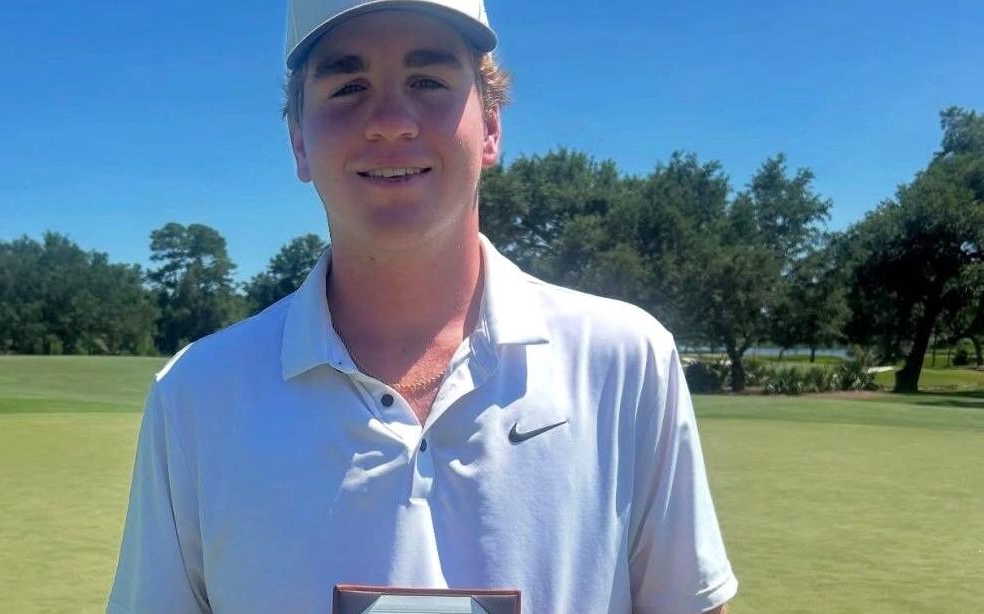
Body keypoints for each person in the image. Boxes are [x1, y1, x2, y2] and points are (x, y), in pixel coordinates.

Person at [107, 1, 738, 612]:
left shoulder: (626, 361)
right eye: (348, 86)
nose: (390, 119)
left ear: (491, 127)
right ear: (299, 142)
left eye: (428, 79)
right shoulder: (196, 395)